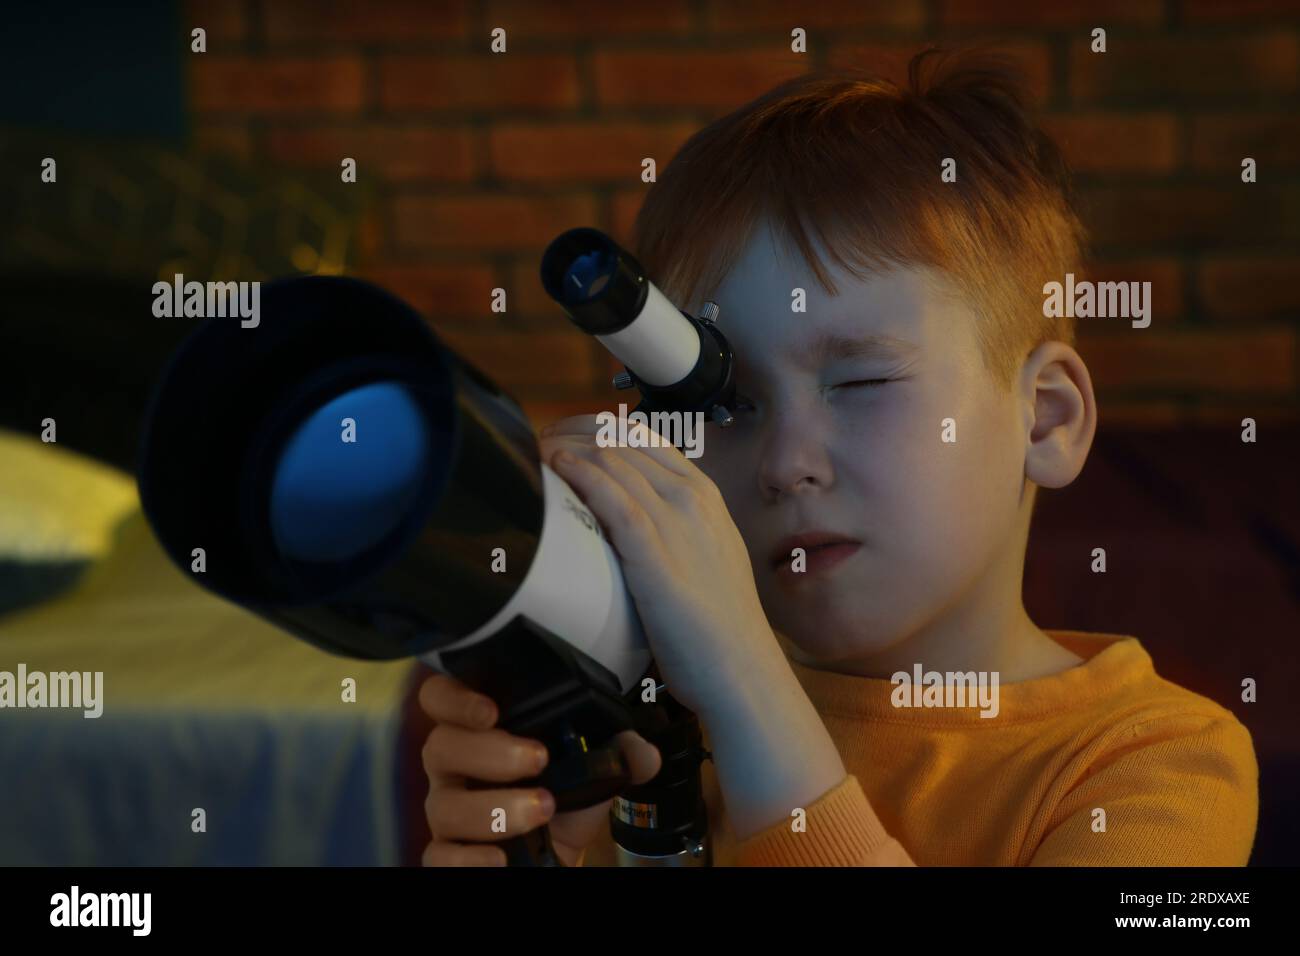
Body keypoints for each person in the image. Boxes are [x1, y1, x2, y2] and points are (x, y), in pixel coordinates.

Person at [418, 48, 1258, 867]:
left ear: (1045, 420)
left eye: (858, 383)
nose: (785, 462)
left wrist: (748, 688)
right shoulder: (655, 729)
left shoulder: (1161, 767)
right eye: (726, 405)